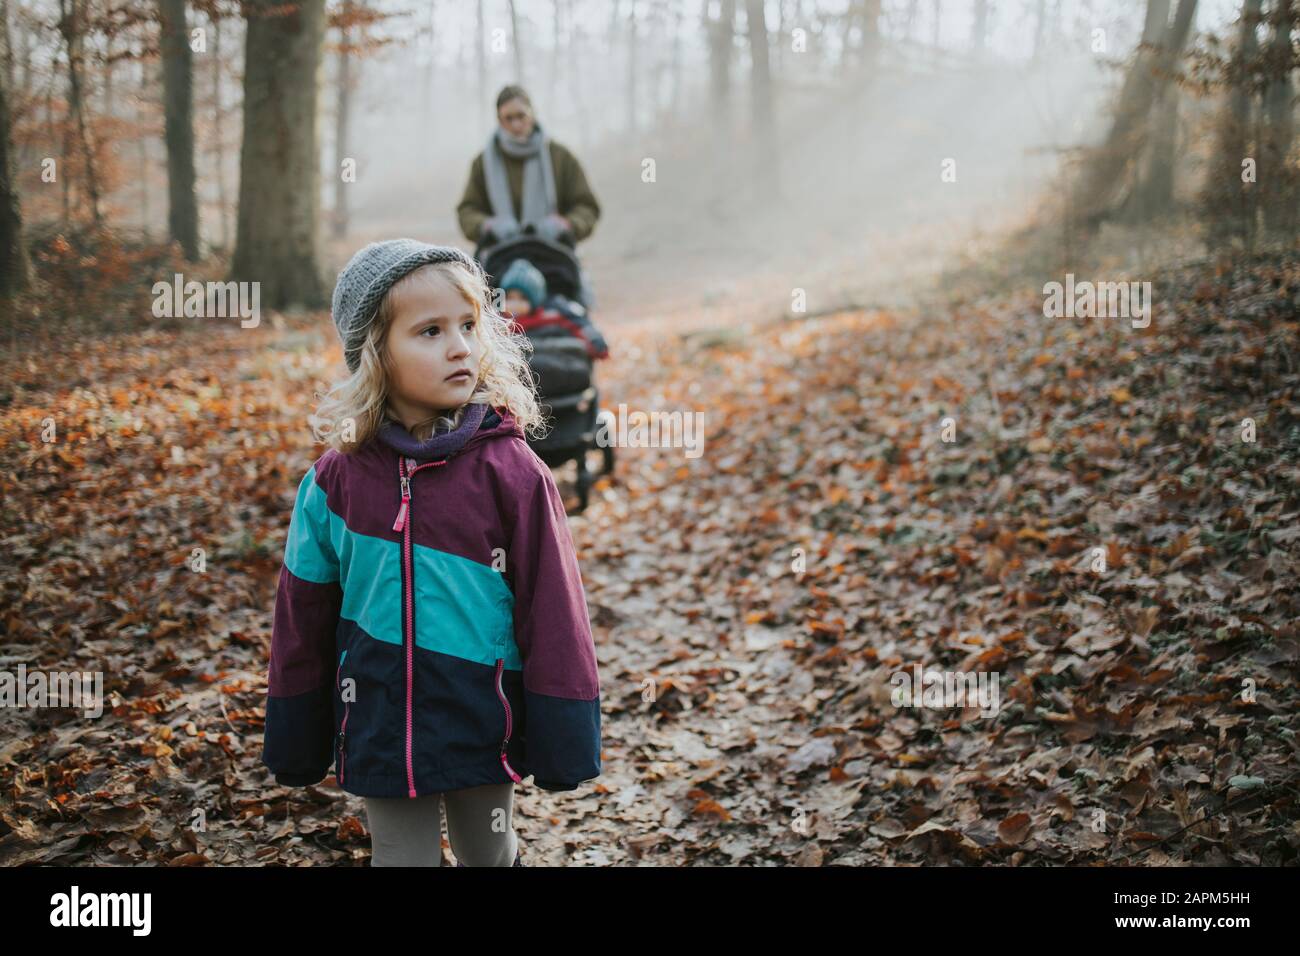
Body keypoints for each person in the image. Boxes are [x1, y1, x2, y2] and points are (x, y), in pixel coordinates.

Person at [261, 239, 603, 867]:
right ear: (375, 355)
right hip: (376, 722)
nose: (460, 347)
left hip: (483, 713)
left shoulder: (514, 472)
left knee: (489, 852)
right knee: (400, 857)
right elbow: (301, 617)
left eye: (470, 326)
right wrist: (296, 727)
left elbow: (555, 609)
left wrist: (563, 728)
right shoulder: (336, 482)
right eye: (429, 331)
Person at [456, 84, 601, 254]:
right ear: (499, 120)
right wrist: (487, 225)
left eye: (521, 116)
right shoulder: (482, 163)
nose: (516, 125)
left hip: (555, 255)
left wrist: (566, 224)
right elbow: (467, 211)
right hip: (498, 257)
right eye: (508, 118)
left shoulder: (561, 157)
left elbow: (587, 206)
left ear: (532, 114)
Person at [499, 258, 610, 360]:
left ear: (535, 301)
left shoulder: (552, 316)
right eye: (510, 298)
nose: (515, 304)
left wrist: (596, 342)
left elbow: (581, 325)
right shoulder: (499, 322)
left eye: (522, 299)